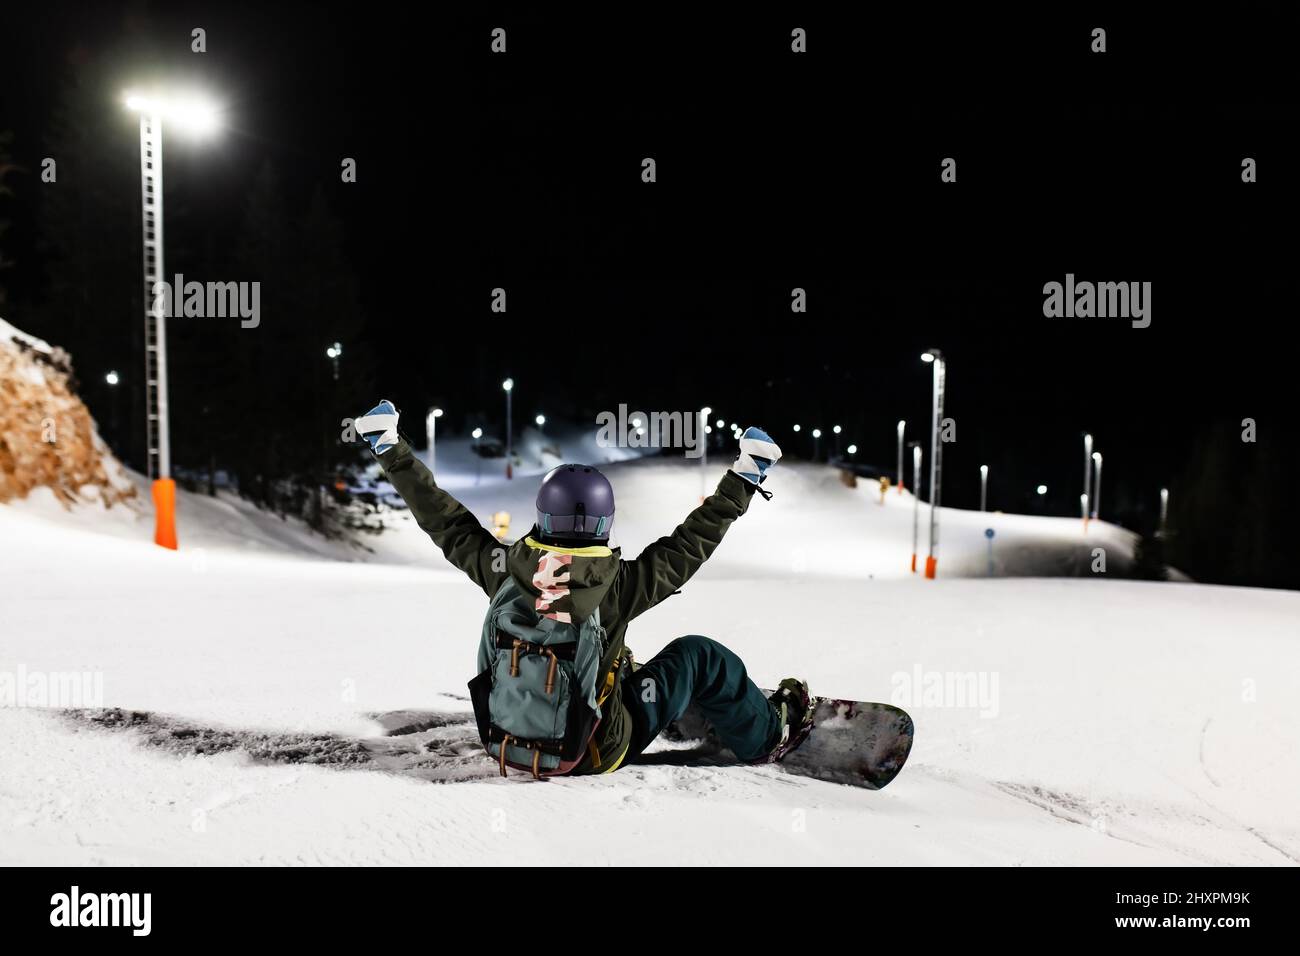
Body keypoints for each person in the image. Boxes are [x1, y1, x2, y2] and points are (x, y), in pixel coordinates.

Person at [356, 400, 812, 777]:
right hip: (598, 752)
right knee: (700, 655)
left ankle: (609, 695)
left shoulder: (504, 571)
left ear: (541, 516)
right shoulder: (619, 585)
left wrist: (389, 449)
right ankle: (768, 735)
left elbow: (446, 522)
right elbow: (691, 543)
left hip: (507, 743)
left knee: (617, 656)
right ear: (604, 523)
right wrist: (746, 475)